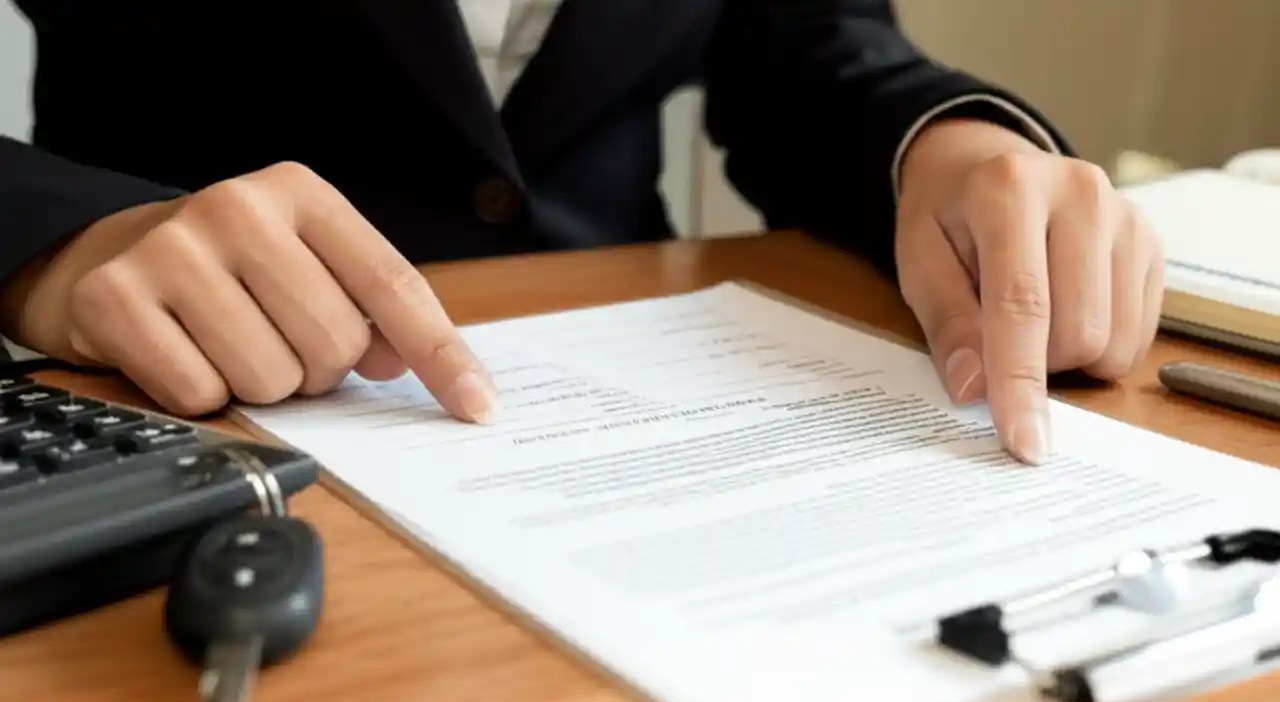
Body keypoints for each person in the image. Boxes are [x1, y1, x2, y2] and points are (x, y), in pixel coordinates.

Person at [0, 1, 1163, 466]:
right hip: (180, 409)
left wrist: (945, 140)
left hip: (651, 396)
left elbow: (804, 44)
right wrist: (61, 239)